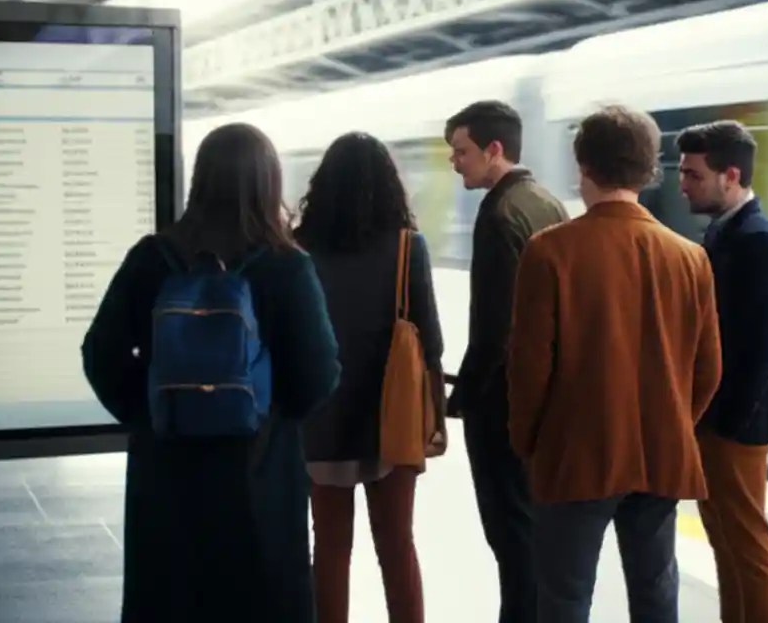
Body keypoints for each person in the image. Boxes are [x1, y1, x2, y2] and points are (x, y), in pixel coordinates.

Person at [81, 122, 341, 623]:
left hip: (167, 477)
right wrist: (268, 410)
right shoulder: (286, 267)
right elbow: (318, 373)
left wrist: (151, 410)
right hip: (258, 479)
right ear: (269, 183)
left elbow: (100, 353)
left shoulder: (152, 259)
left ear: (199, 180)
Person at [508, 105, 722, 623]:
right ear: (650, 172)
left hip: (576, 454)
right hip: (659, 455)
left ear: (583, 166)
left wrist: (529, 442)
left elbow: (529, 369)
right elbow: (709, 368)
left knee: (564, 597)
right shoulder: (690, 257)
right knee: (654, 592)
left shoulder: (550, 252)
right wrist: (671, 422)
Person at [296, 132, 445, 623]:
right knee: (397, 545)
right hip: (392, 417)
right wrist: (437, 418)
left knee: (331, 549)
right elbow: (431, 341)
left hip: (321, 419)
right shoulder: (408, 247)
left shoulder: (300, 249)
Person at [444, 100, 568, 623]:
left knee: (510, 535)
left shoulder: (498, 215)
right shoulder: (548, 203)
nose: (455, 163)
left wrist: (462, 399)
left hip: (504, 407)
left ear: (495, 150)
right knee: (537, 536)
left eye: (462, 151)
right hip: (546, 399)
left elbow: (494, 328)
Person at [677, 120, 768, 623]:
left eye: (693, 175)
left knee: (746, 546)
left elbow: (760, 350)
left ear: (730, 176)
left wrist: (721, 424)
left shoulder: (760, 242)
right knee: (725, 542)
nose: (682, 183)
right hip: (715, 419)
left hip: (737, 425)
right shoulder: (725, 234)